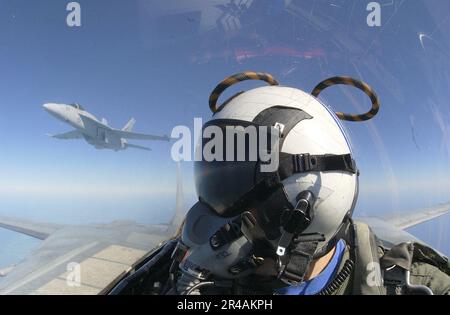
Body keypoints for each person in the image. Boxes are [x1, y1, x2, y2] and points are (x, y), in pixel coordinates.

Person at [165, 72, 450, 295]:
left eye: (226, 192)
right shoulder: (192, 282)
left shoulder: (417, 286)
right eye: (211, 185)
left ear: (297, 214)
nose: (203, 218)